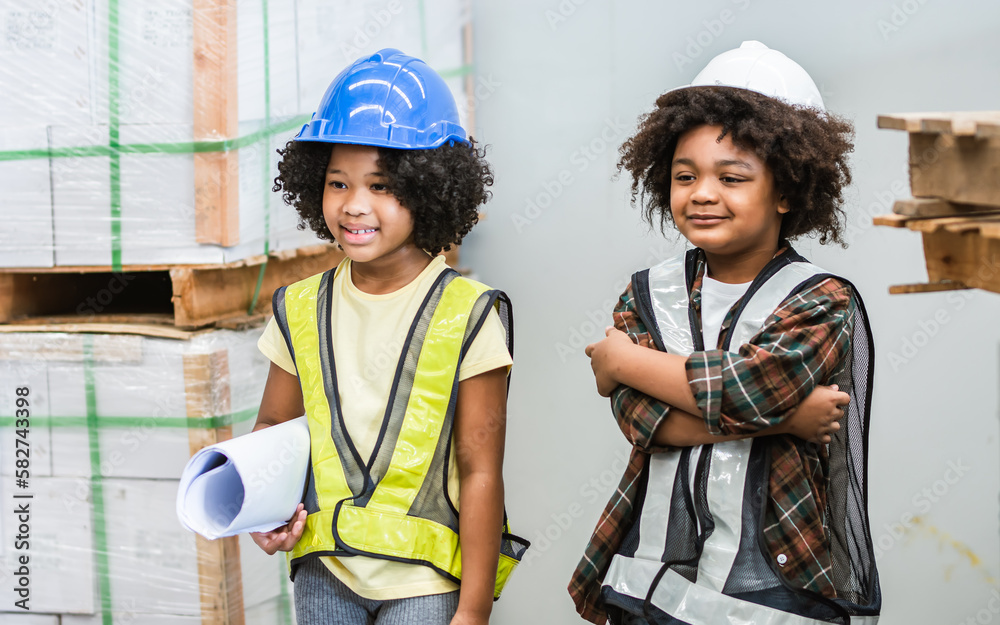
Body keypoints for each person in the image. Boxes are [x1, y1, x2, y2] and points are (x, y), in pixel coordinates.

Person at [568, 42, 881, 625]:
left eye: (731, 177)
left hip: (771, 584)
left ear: (787, 191)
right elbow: (640, 420)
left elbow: (754, 390)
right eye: (685, 176)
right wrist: (786, 421)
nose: (703, 193)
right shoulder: (647, 293)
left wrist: (624, 363)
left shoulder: (819, 298)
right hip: (650, 574)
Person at [248, 49, 528, 625]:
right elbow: (273, 427)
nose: (355, 205)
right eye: (338, 183)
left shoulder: (468, 312)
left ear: (428, 190)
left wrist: (474, 610)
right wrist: (264, 508)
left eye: (381, 186)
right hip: (324, 573)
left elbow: (480, 471)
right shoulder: (299, 307)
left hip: (425, 585)